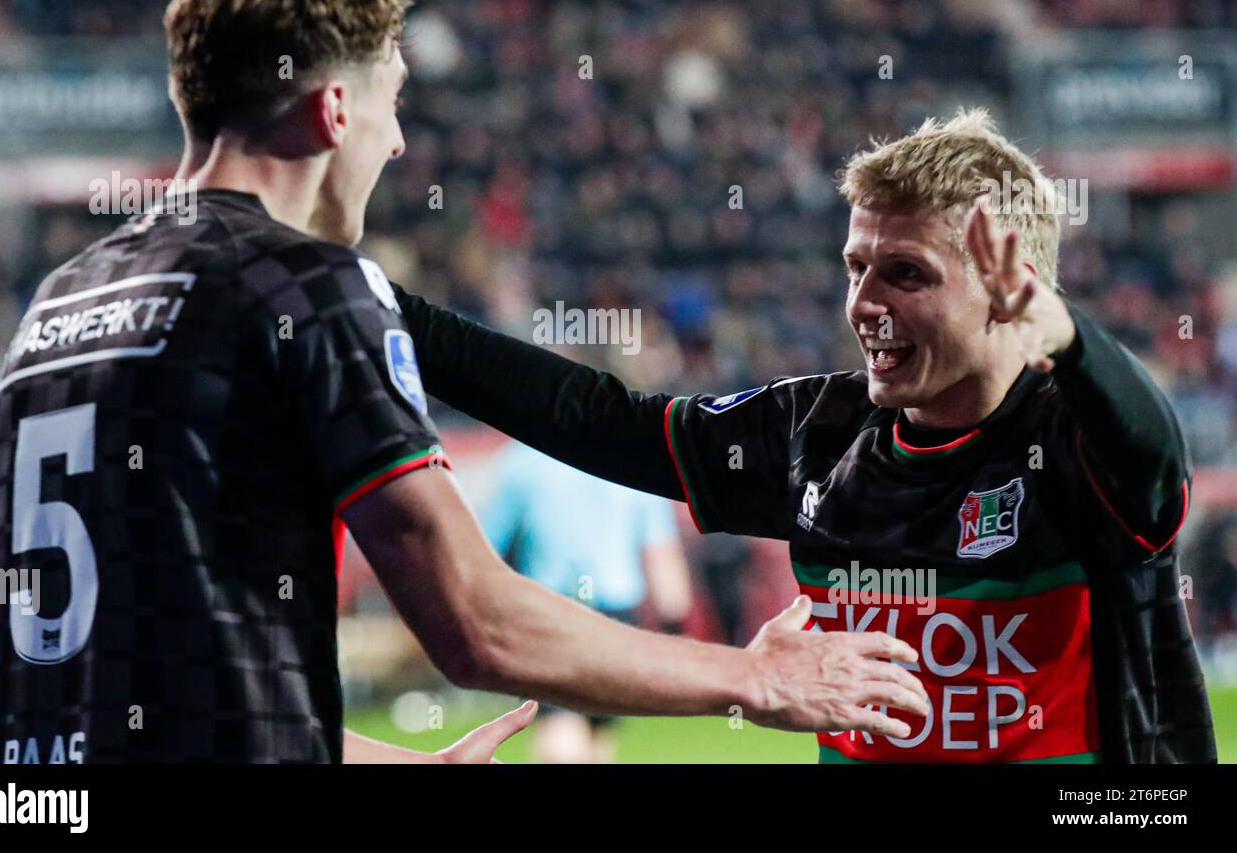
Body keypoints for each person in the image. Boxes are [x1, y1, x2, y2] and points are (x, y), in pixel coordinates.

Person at [0, 0, 926, 764]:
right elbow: (472, 621)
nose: (395, 146)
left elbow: (144, 675)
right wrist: (748, 679)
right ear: (334, 111)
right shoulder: (306, 284)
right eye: (391, 107)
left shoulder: (62, 301)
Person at [393, 109, 1217, 763]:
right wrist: (377, 314)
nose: (863, 302)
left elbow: (1148, 441)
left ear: (1012, 294)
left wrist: (1070, 338)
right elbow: (602, 420)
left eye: (906, 273)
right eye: (857, 267)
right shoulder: (816, 431)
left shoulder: (1079, 441)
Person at [481, 440, 692, 762]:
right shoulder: (634, 460)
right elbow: (661, 553)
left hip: (549, 605)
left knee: (557, 718)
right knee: (599, 728)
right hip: (618, 611)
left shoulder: (523, 460)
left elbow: (485, 542)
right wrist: (673, 621)